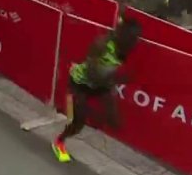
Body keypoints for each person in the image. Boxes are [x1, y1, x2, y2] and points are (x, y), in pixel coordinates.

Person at [53, 17, 142, 162]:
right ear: (122, 35)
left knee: (114, 119)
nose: (134, 43)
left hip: (102, 84)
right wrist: (116, 79)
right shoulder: (101, 44)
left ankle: (79, 112)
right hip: (80, 83)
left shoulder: (126, 49)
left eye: (136, 40)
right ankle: (59, 141)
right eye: (132, 39)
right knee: (77, 122)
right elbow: (92, 74)